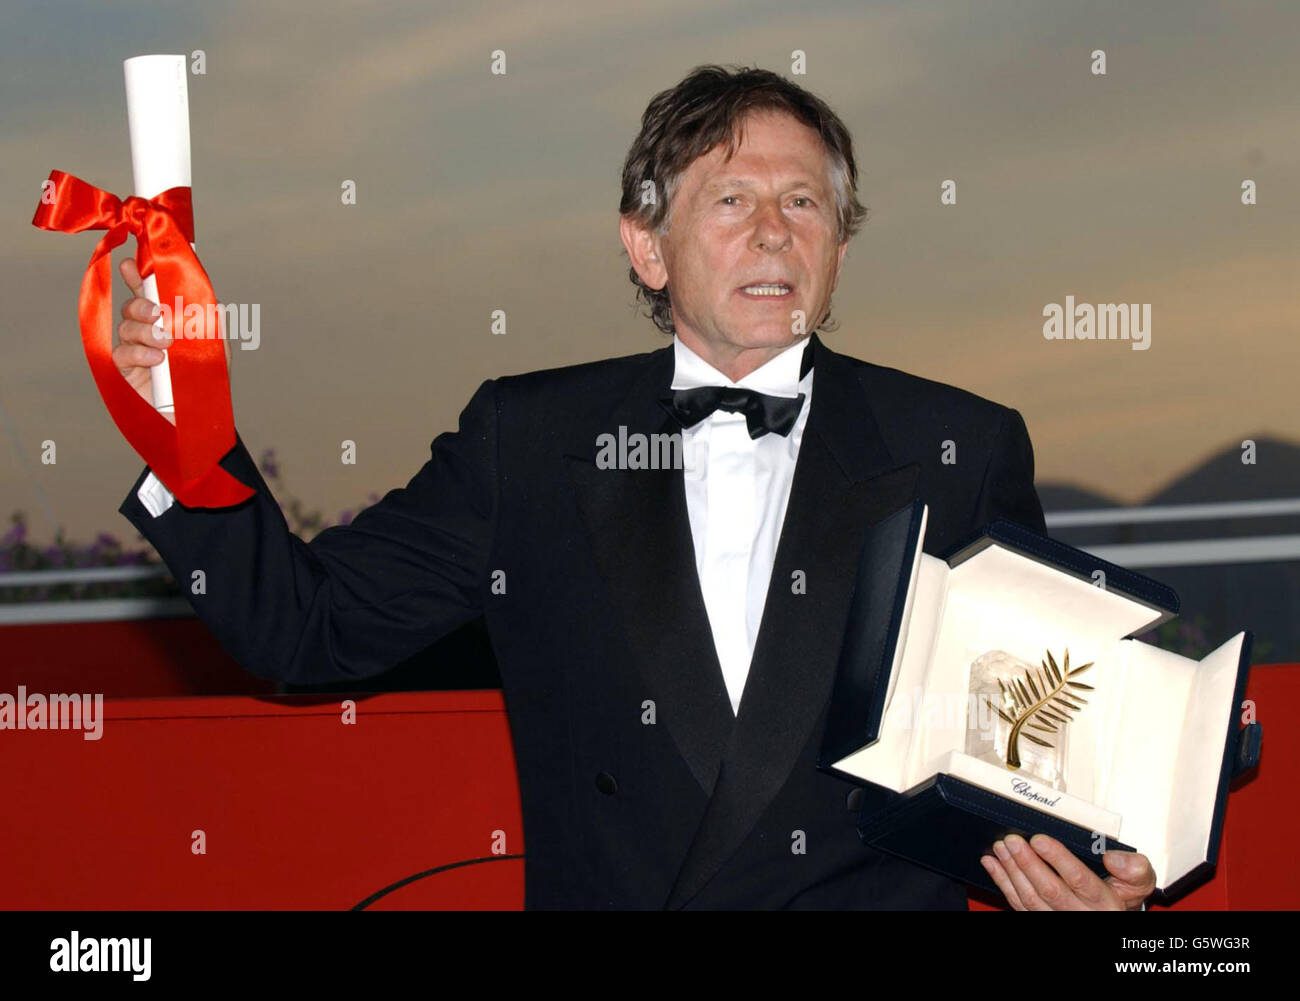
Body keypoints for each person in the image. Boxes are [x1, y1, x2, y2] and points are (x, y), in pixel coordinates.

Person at [111, 65, 1155, 910]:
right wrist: (181, 420)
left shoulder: (955, 446)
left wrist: (1098, 875)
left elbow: (1036, 754)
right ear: (646, 247)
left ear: (839, 245)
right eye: (730, 200)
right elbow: (307, 629)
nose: (773, 231)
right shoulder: (529, 440)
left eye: (804, 202)